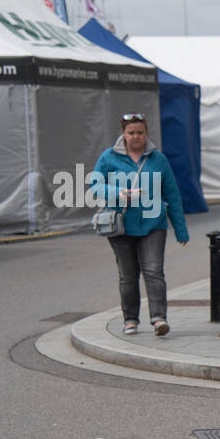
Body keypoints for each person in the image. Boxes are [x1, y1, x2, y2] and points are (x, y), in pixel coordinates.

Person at [91, 114, 189, 336]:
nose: (136, 137)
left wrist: (180, 228)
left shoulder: (158, 159)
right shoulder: (108, 157)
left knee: (154, 271)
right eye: (131, 133)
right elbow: (95, 186)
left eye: (140, 132)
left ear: (147, 133)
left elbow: (172, 194)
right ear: (124, 134)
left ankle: (158, 318)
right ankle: (130, 320)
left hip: (153, 224)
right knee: (128, 274)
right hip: (121, 225)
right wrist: (119, 193)